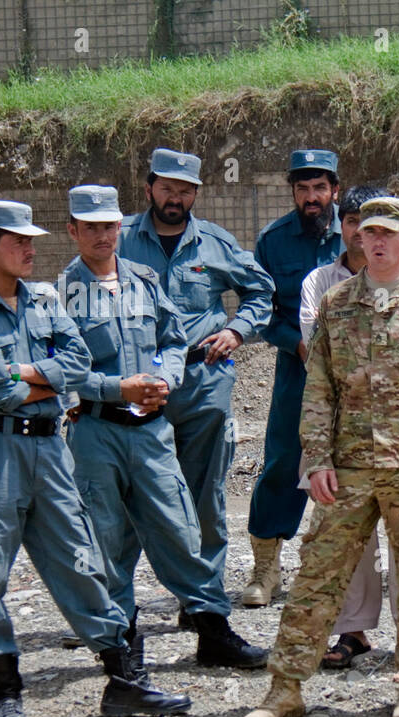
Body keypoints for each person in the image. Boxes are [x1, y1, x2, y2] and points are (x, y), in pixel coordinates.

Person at [0, 199, 190, 717]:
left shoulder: (47, 303)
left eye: (32, 240)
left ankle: (122, 680)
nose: (31, 249)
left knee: (82, 560)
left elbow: (78, 365)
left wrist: (24, 374)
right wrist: (40, 379)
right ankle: (4, 690)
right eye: (18, 242)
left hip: (52, 449)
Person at [243, 197, 399, 717]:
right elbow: (318, 387)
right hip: (346, 469)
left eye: (388, 234)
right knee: (317, 578)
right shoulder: (338, 303)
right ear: (357, 236)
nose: (377, 242)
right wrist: (317, 457)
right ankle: (285, 688)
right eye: (369, 232)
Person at [63, 184, 262, 675]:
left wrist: (164, 378)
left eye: (108, 226)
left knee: (181, 528)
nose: (102, 236)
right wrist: (116, 389)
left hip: (151, 429)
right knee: (107, 535)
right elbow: (57, 368)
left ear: (118, 228)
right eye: (90, 228)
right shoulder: (60, 293)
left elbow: (173, 339)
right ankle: (123, 643)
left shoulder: (142, 280)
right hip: (98, 430)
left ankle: (211, 629)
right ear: (73, 231)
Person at [118, 148, 274, 651]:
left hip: (204, 379)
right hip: (140, 386)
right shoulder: (118, 241)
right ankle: (117, 608)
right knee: (133, 493)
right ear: (149, 189)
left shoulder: (214, 243)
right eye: (167, 188)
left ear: (195, 195)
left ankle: (201, 603)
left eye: (185, 190)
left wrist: (236, 331)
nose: (175, 198)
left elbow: (261, 292)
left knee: (204, 492)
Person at [297, 184, 395, 669]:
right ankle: (352, 631)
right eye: (355, 221)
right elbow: (316, 351)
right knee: (345, 537)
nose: (363, 233)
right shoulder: (320, 284)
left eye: (376, 225)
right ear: (342, 224)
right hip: (341, 430)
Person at [243, 149, 343, 609]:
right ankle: (267, 566)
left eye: (319, 188)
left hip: (357, 374)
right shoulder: (273, 240)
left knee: (352, 462)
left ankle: (342, 567)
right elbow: (262, 311)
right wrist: (298, 344)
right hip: (297, 369)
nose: (311, 197)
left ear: (334, 190)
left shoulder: (359, 231)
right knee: (284, 460)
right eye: (302, 189)